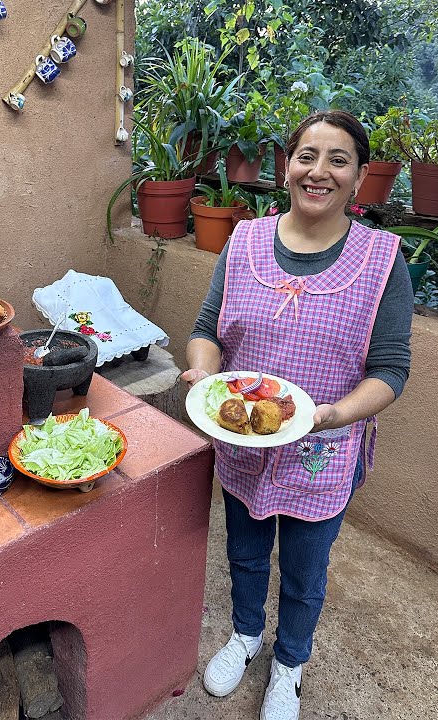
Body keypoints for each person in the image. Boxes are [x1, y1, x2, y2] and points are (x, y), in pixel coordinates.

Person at [180, 110, 413, 720]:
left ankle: (289, 666)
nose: (320, 171)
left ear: (360, 177)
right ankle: (245, 636)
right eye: (307, 156)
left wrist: (336, 414)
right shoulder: (246, 239)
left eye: (339, 160)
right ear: (287, 166)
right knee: (246, 551)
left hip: (321, 448)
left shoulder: (383, 260)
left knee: (306, 571)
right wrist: (204, 375)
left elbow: (391, 370)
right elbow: (207, 331)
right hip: (242, 441)